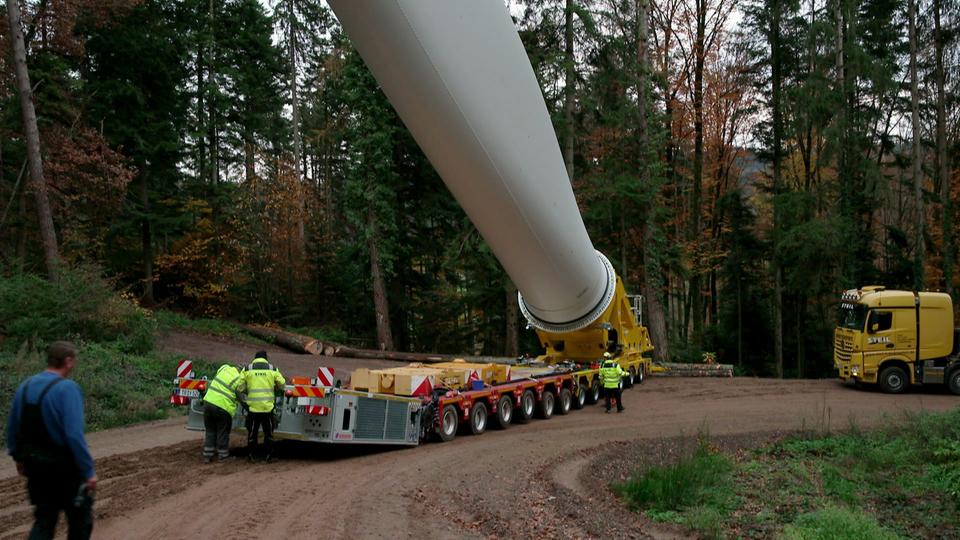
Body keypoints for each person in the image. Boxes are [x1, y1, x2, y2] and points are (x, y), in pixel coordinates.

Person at [5, 341, 96, 540]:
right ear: (68, 361)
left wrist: (18, 458)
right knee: (80, 522)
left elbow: (12, 428)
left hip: (35, 467)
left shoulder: (25, 386)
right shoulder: (67, 389)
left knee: (44, 521)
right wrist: (88, 471)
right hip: (64, 470)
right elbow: (74, 435)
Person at [241, 351, 285, 462]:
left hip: (253, 408)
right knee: (268, 433)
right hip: (267, 408)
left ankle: (252, 456)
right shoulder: (272, 369)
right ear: (266, 358)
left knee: (252, 433)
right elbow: (282, 384)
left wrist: (248, 391)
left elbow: (239, 387)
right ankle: (268, 456)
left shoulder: (247, 369)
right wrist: (275, 387)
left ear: (255, 358)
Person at [202, 363, 246, 463]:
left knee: (210, 430)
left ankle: (207, 456)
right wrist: (248, 408)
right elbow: (241, 399)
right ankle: (223, 456)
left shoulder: (224, 368)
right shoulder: (239, 379)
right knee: (223, 431)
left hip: (208, 402)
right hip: (223, 407)